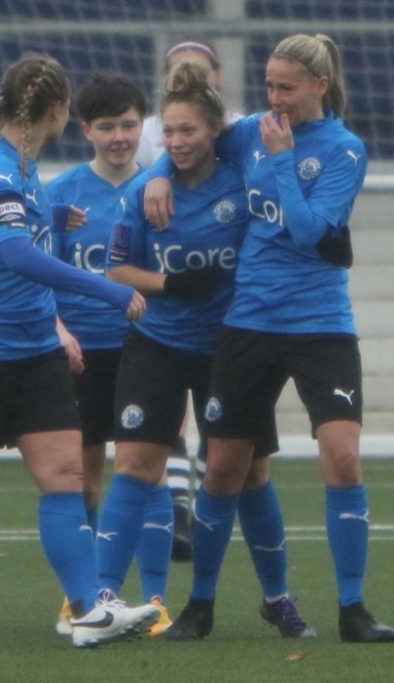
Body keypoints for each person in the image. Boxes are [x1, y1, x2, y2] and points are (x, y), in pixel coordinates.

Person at [143, 34, 394, 643]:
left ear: (319, 86)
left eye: (286, 86)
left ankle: (353, 610)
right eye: (269, 85)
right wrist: (154, 172)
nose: (274, 97)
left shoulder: (343, 150)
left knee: (342, 456)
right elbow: (192, 139)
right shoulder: (252, 128)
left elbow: (311, 234)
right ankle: (200, 605)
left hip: (320, 325)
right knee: (224, 467)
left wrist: (282, 162)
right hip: (250, 319)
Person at [0, 53, 158, 652]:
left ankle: (87, 608)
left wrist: (52, 213)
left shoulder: (22, 165)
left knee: (65, 474)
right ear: (59, 111)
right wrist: (107, 288)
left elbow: (17, 233)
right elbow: (17, 255)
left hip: (35, 348)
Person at [94, 59, 316, 641]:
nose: (176, 141)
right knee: (136, 465)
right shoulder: (146, 191)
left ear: (214, 130)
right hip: (158, 342)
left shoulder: (244, 182)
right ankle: (100, 601)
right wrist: (168, 285)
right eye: (167, 132)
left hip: (232, 347)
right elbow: (116, 268)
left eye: (188, 130)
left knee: (249, 473)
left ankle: (278, 598)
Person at [43, 72, 173, 636]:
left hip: (144, 350)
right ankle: (83, 596)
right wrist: (56, 328)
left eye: (128, 125)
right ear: (84, 129)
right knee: (84, 480)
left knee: (149, 473)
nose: (119, 137)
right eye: (106, 127)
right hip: (79, 354)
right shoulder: (61, 194)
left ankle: (156, 598)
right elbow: (34, 271)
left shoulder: (158, 189)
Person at [137, 38, 244, 561]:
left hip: (226, 315)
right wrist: (156, 173)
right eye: (179, 70)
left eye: (198, 71)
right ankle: (178, 506)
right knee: (168, 417)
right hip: (165, 307)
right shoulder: (153, 133)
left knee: (231, 435)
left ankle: (203, 510)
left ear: (217, 76)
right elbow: (141, 180)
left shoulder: (237, 129)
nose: (189, 78)